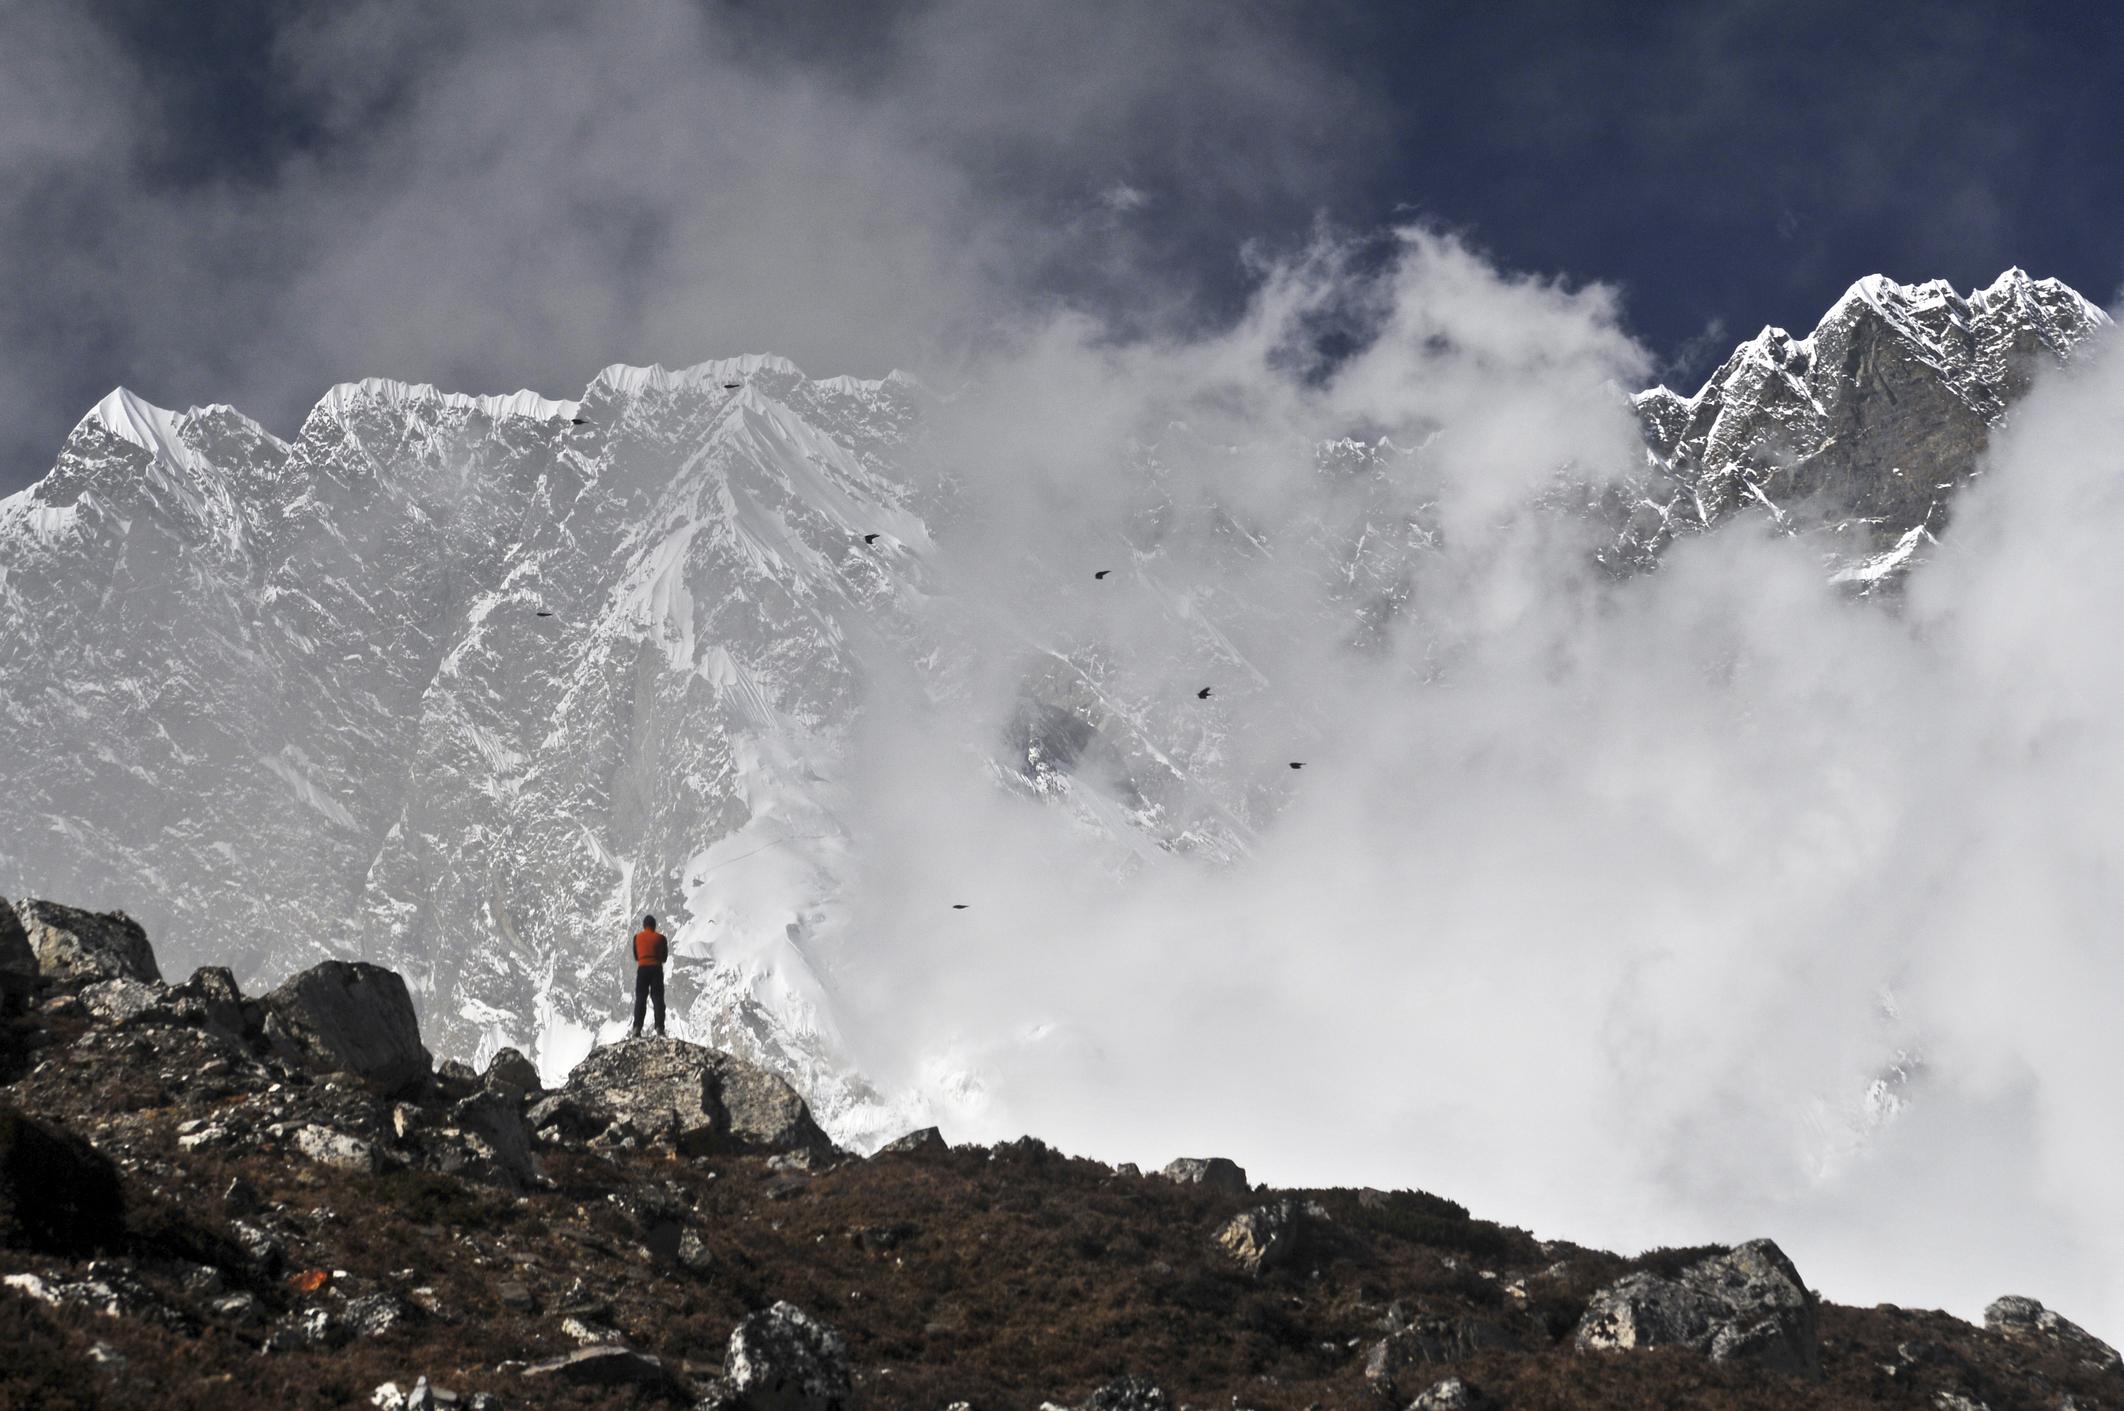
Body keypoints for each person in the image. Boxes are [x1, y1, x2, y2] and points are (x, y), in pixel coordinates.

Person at [630, 913, 668, 1038]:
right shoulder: (661, 938)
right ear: (654, 925)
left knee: (641, 999)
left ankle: (637, 1028)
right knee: (657, 999)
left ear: (644, 925)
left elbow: (636, 956)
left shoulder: (637, 937)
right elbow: (664, 958)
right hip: (656, 969)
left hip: (642, 970)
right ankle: (660, 1029)